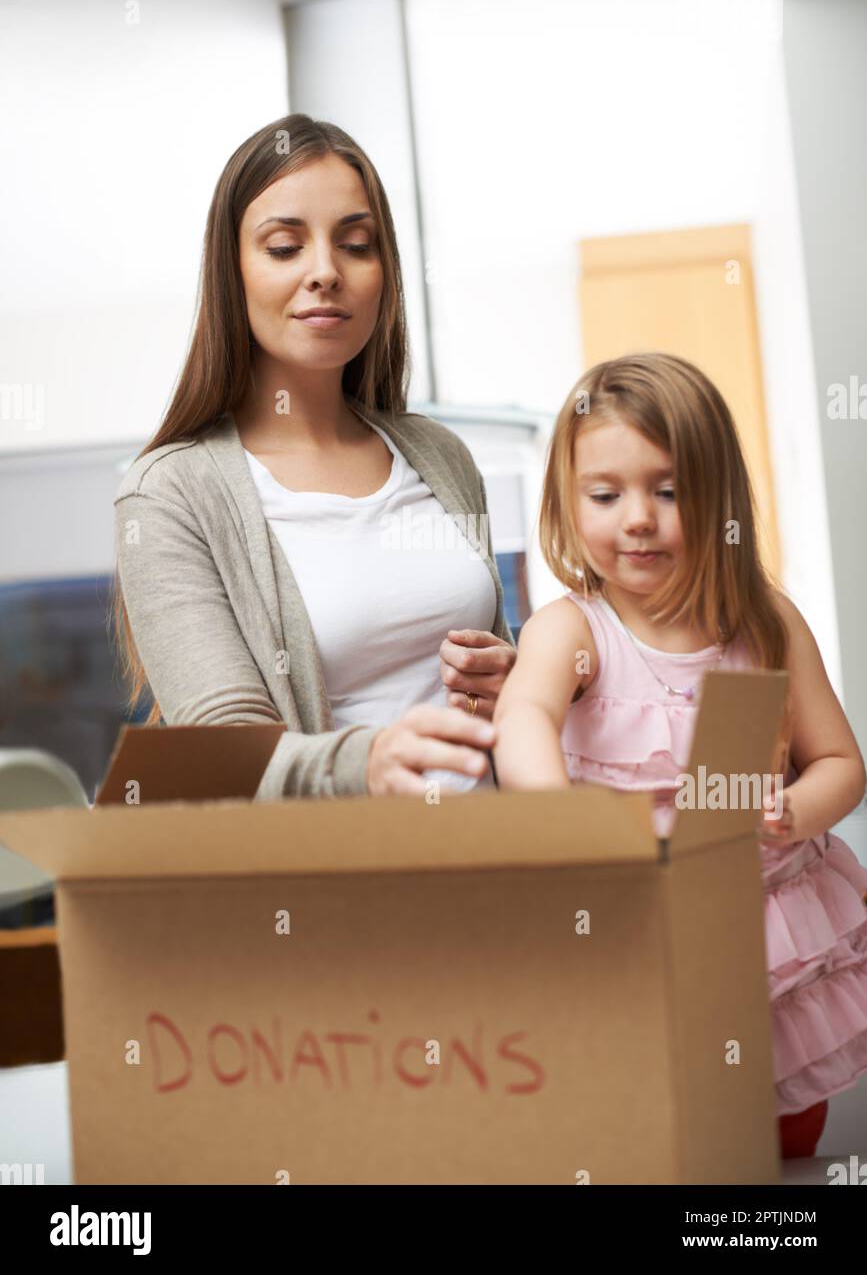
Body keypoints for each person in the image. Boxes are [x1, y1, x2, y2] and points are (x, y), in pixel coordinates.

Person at [493, 352, 867, 1160]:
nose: (637, 517)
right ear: (567, 501)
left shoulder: (765, 620)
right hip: (636, 935)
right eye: (605, 495)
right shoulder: (571, 631)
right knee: (663, 1142)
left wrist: (794, 810)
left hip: (771, 942)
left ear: (720, 499)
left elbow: (840, 761)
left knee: (785, 1141)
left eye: (668, 491)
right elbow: (522, 713)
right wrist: (559, 813)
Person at [112, 113, 516, 801]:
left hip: (498, 869)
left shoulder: (439, 456)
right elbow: (221, 753)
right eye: (283, 247)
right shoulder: (169, 494)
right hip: (333, 894)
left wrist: (516, 685)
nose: (325, 272)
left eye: (356, 245)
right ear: (230, 270)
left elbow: (499, 687)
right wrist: (369, 760)